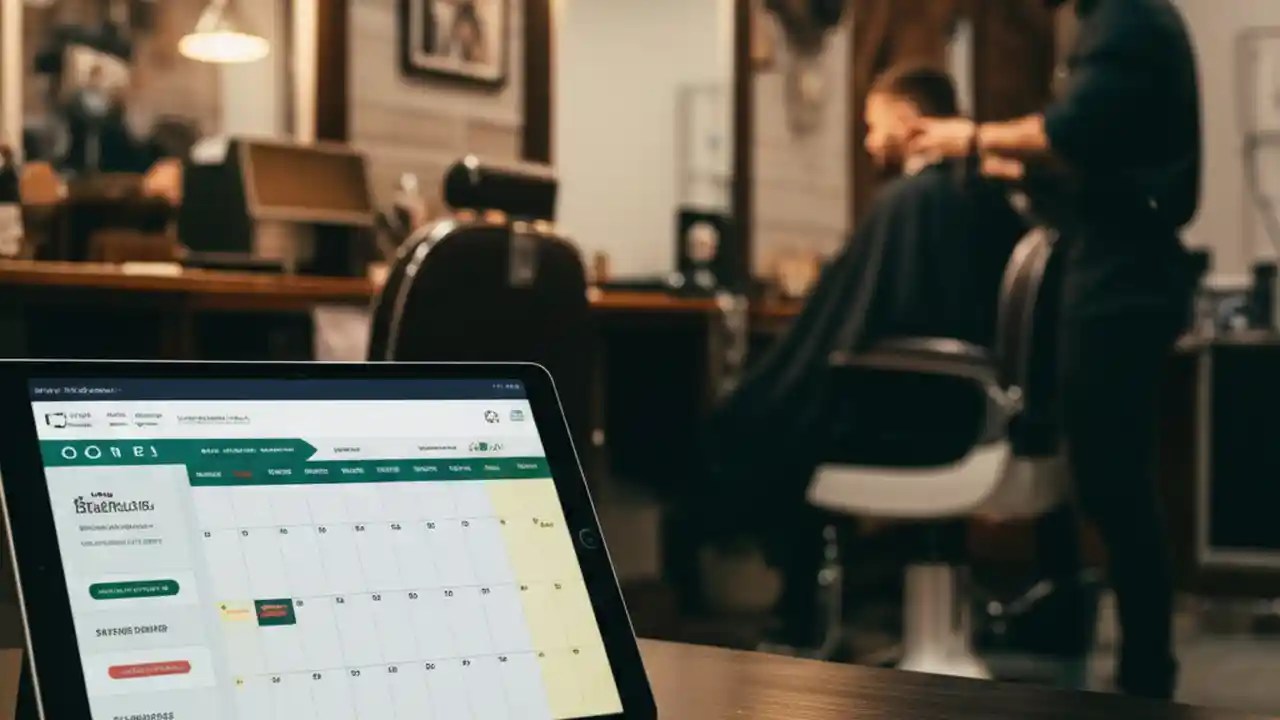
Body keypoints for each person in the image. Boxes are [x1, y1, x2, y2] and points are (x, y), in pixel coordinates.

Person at [908, 0, 1200, 700]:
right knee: (1108, 478)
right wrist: (1013, 165)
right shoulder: (1115, 25)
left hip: (1122, 279)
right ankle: (1101, 645)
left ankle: (1146, 677)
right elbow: (1089, 155)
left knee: (1115, 484)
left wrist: (967, 139)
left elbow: (1073, 133)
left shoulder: (1132, 19)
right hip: (1113, 271)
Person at [700, 64, 1027, 645]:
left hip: (917, 426)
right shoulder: (992, 201)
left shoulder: (908, 203)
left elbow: (842, 336)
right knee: (784, 409)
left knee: (767, 418)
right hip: (978, 416)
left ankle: (794, 618)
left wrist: (772, 388)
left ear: (907, 120)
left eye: (873, 126)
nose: (870, 143)